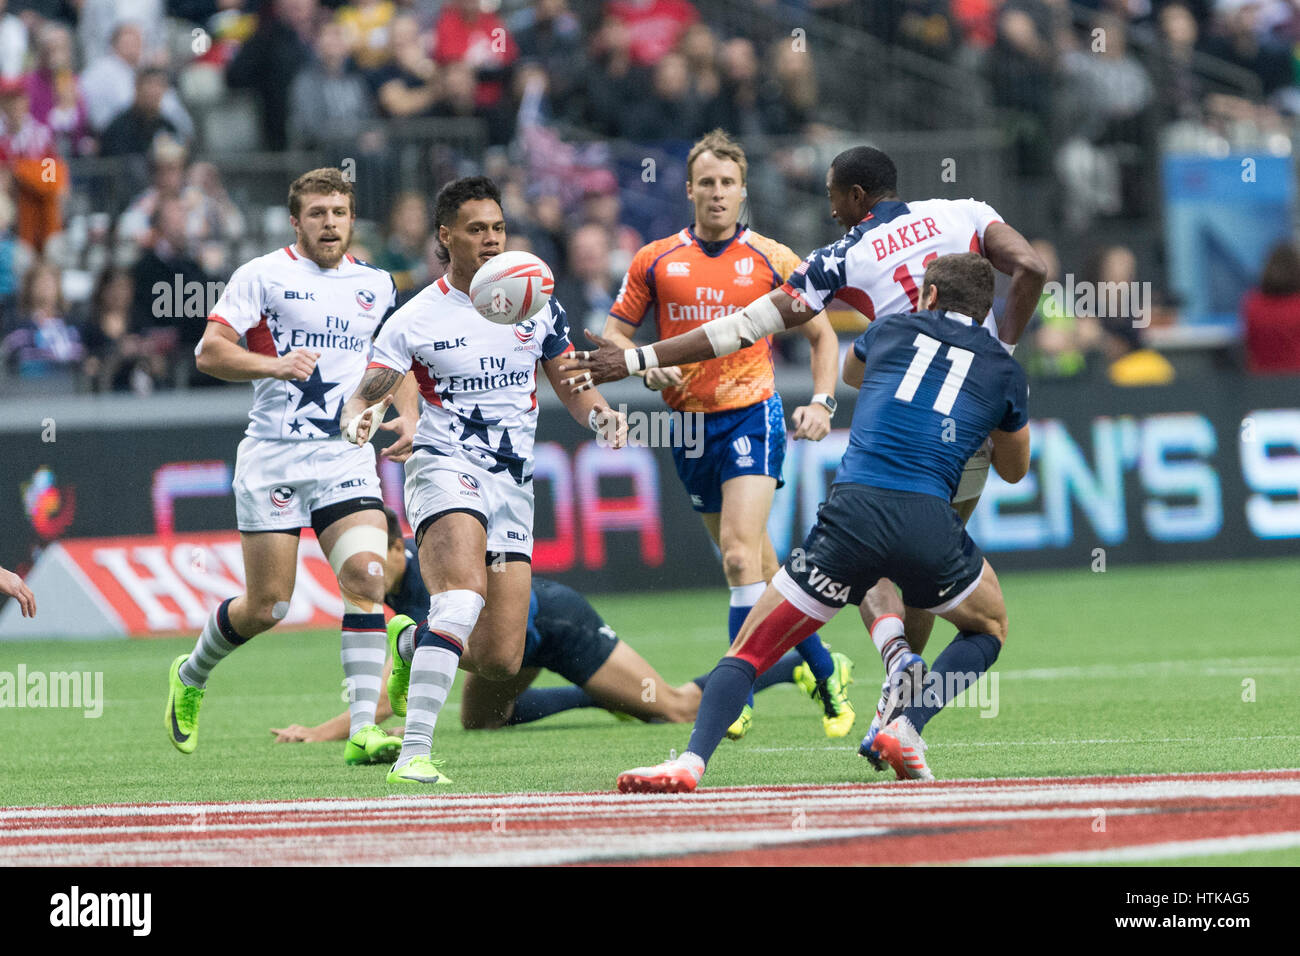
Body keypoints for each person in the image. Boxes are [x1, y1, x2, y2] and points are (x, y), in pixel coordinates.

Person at [566, 145, 1045, 762]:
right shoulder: (966, 211)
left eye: (831, 198)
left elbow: (742, 328)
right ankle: (900, 714)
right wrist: (999, 349)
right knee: (933, 571)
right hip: (974, 410)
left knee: (874, 547)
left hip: (897, 416)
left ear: (851, 198)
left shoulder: (842, 255)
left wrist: (636, 359)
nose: (831, 210)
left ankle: (889, 667)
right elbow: (1030, 266)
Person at [616, 253, 1030, 791]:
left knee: (748, 648)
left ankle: (690, 762)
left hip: (851, 513)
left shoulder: (890, 328)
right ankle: (909, 724)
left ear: (927, 295)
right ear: (987, 310)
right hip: (928, 518)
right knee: (989, 625)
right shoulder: (1004, 368)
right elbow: (1015, 470)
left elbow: (855, 374)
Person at [338, 175, 627, 785]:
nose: (492, 240)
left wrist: (601, 413)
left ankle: (409, 645)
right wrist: (361, 413)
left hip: (512, 485)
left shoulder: (534, 302)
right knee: (461, 597)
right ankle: (415, 752)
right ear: (446, 236)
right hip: (445, 466)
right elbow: (372, 386)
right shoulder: (414, 316)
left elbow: (568, 379)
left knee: (501, 657)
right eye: (477, 229)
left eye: (498, 227)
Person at [599, 128, 851, 740]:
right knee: (758, 566)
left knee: (739, 554)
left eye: (728, 184)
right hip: (688, 426)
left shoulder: (772, 258)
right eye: (706, 183)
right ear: (688, 190)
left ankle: (737, 695)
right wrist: (645, 363)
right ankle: (823, 667)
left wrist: (822, 401)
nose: (717, 194)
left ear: (743, 192)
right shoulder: (655, 259)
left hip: (751, 415)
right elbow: (613, 337)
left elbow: (823, 336)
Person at [164, 167, 415, 771]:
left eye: (339, 212)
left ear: (353, 220)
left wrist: (405, 416)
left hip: (343, 457)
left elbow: (397, 361)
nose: (330, 222)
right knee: (268, 606)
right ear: (296, 220)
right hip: (273, 456)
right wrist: (272, 367)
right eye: (318, 213)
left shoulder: (376, 284)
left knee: (365, 576)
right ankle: (191, 674)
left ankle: (362, 731)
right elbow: (209, 352)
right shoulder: (262, 275)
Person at [270, 508, 809, 740]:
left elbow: (387, 695)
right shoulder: (385, 582)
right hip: (513, 644)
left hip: (556, 621)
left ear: (397, 544)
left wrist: (317, 732)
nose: (357, 565)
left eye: (369, 552)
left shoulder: (426, 573)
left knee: (671, 708)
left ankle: (789, 668)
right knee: (482, 722)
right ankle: (596, 697)